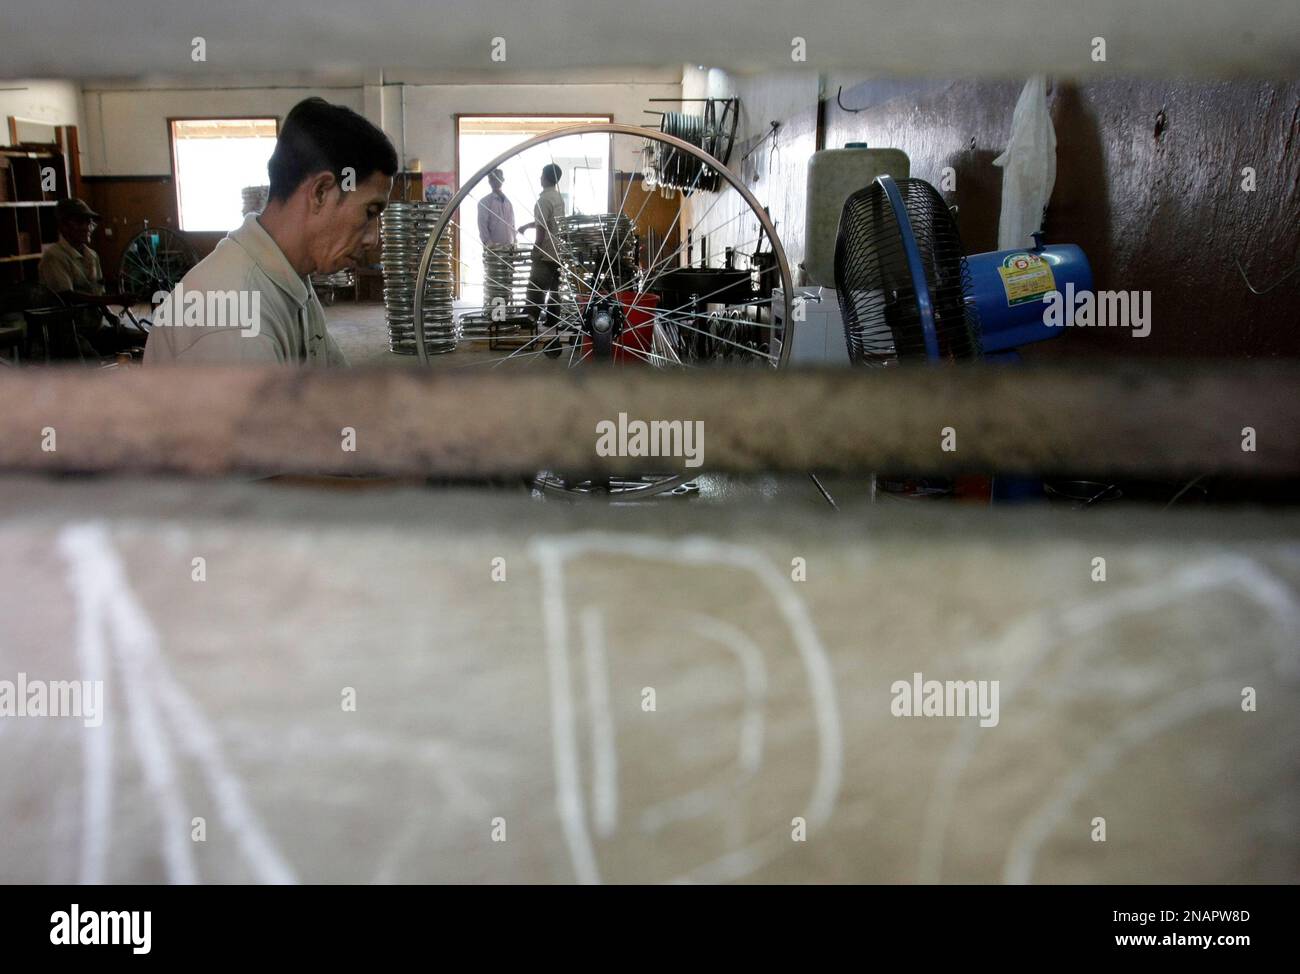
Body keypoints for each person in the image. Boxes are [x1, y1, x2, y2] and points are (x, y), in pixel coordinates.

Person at [144, 97, 397, 366]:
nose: (373, 238)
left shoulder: (291, 280)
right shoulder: (234, 322)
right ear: (321, 192)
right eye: (370, 212)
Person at [38, 197, 144, 355]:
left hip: (95, 327)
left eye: (89, 223)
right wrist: (114, 299)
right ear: (63, 226)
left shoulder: (91, 256)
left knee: (144, 340)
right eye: (80, 222)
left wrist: (110, 315)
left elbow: (97, 292)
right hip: (69, 332)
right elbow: (66, 296)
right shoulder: (54, 257)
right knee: (93, 363)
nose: (87, 227)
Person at [518, 163, 565, 344]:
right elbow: (548, 221)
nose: (539, 178)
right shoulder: (558, 197)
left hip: (545, 252)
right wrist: (526, 226)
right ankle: (553, 318)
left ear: (545, 178)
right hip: (557, 251)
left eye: (541, 175)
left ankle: (529, 320)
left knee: (535, 288)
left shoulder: (542, 200)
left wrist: (535, 249)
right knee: (554, 289)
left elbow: (542, 229)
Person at [477, 168, 515, 317]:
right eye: (493, 179)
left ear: (503, 180)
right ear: (489, 181)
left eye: (498, 178)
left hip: (509, 249)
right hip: (494, 251)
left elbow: (512, 225)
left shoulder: (508, 202)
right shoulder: (484, 202)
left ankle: (505, 314)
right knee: (494, 284)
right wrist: (490, 246)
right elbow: (482, 227)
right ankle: (494, 315)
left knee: (507, 283)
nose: (496, 181)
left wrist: (514, 244)